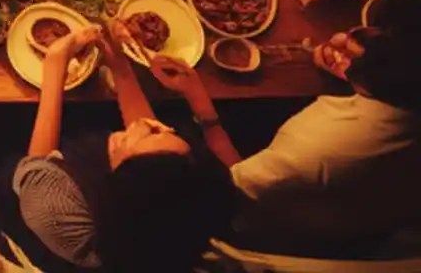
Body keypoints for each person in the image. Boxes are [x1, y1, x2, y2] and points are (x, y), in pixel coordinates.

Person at [153, 16, 421, 256]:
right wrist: (357, 75)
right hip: (345, 212)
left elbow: (229, 185)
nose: (338, 39)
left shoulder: (323, 142)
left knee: (174, 121)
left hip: (255, 225)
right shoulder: (403, 99)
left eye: (358, 48)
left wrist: (197, 99)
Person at [0, 23, 233, 272]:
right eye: (163, 132)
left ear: (121, 178)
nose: (152, 125)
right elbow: (153, 160)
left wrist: (55, 66)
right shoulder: (179, 205)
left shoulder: (60, 211)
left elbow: (36, 165)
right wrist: (119, 66)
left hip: (18, 199)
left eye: (149, 134)